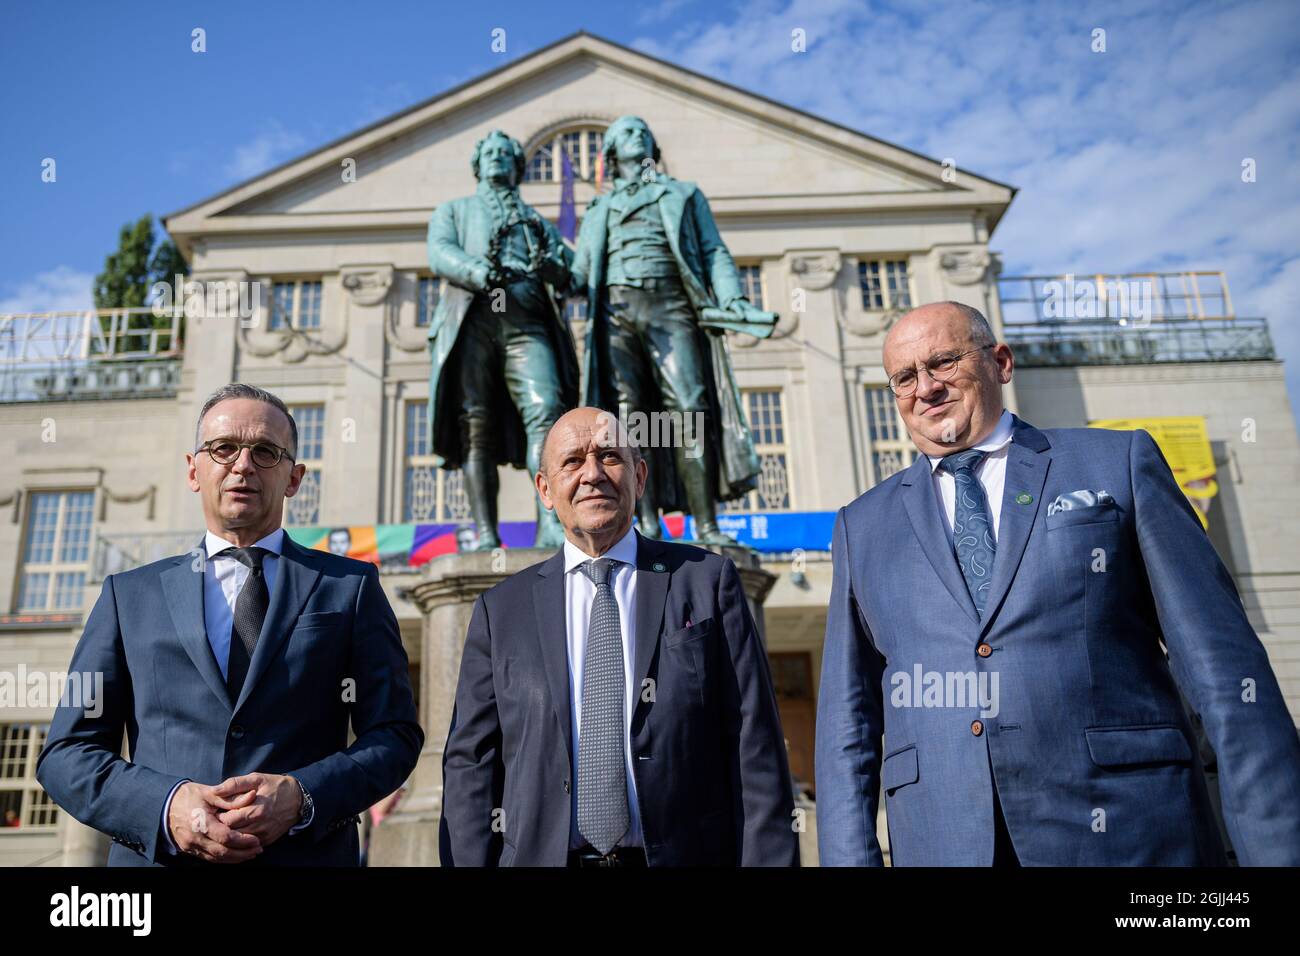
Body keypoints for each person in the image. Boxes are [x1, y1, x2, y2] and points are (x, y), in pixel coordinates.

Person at [816, 301, 1300, 866]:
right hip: (946, 842)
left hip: (1130, 836)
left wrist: (1278, 849)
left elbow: (1223, 668)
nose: (925, 388)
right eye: (904, 377)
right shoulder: (861, 525)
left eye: (943, 363)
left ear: (1000, 362)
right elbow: (846, 724)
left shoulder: (1116, 463)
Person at [37, 383, 423, 866]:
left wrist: (303, 795)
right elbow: (67, 752)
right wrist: (166, 805)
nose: (242, 465)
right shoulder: (127, 596)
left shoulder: (350, 587)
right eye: (223, 449)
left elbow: (395, 735)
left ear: (295, 478)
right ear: (193, 470)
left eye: (265, 451)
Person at [439, 406, 798, 866]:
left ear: (639, 476)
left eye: (609, 457)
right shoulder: (500, 611)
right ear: (545, 490)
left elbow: (755, 743)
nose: (592, 474)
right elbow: (471, 763)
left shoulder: (707, 582)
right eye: (572, 462)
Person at [426, 128, 579, 550]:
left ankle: (550, 523)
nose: (496, 157)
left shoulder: (535, 222)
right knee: (476, 426)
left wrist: (555, 269)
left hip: (526, 322)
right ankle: (485, 533)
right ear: (478, 164)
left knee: (546, 413)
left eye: (504, 153)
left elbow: (573, 271)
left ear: (516, 165)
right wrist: (477, 272)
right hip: (475, 317)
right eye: (488, 152)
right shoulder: (454, 210)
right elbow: (439, 252)